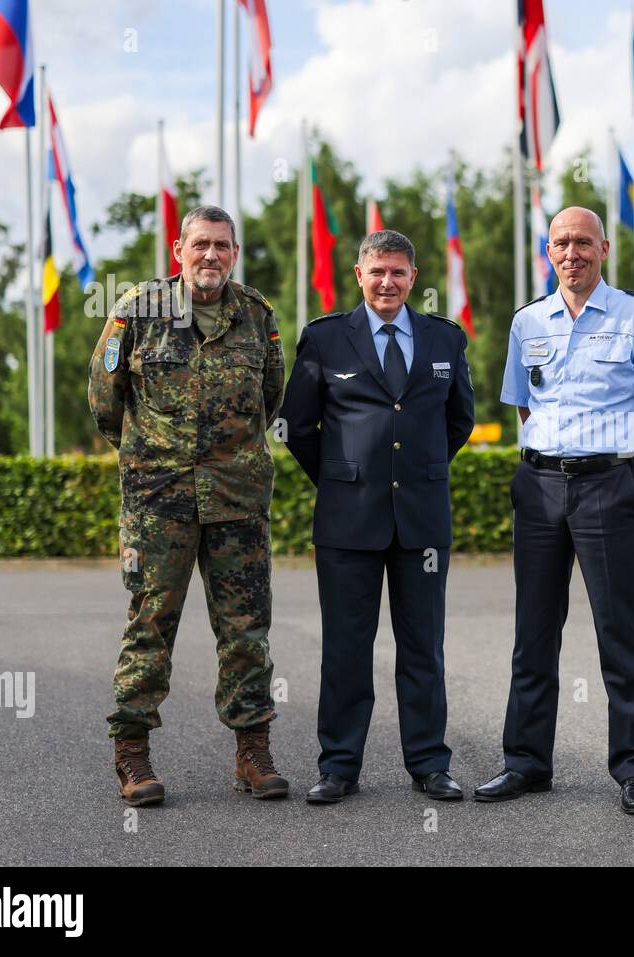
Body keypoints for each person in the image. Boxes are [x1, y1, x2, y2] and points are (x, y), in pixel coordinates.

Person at [475, 207, 634, 815]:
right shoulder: (525, 322)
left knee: (623, 632)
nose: (573, 253)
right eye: (562, 243)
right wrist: (556, 463)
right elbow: (524, 408)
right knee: (533, 632)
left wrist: (620, 476)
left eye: (583, 243)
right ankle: (526, 762)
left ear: (604, 249)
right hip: (538, 488)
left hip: (608, 488)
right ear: (548, 250)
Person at [89, 204, 288, 806]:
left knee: (246, 631)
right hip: (159, 506)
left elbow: (271, 398)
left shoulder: (256, 316)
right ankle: (132, 755)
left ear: (234, 252)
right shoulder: (137, 310)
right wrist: (152, 459)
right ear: (179, 250)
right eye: (200, 244)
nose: (211, 256)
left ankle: (252, 752)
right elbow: (105, 400)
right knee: (149, 627)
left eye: (223, 246)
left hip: (238, 501)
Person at [281, 229, 475, 805]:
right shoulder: (325, 339)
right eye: (377, 272)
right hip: (347, 522)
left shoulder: (446, 339)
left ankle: (429, 764)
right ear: (359, 276)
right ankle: (339, 766)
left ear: (413, 278)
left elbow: (458, 422)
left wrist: (418, 471)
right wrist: (343, 478)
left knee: (424, 648)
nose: (387, 282)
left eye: (398, 272)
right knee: (345, 648)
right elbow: (297, 426)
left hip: (422, 522)